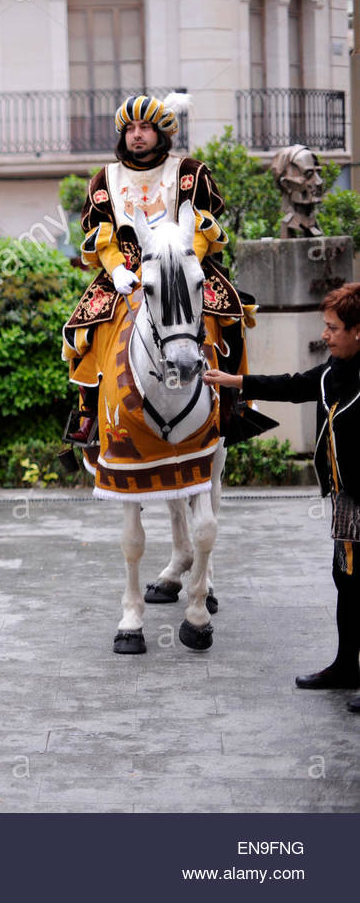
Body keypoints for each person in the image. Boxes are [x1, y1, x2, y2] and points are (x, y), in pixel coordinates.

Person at [204, 283, 360, 712]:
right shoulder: (333, 372)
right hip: (348, 500)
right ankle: (348, 666)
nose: (325, 336)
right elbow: (293, 386)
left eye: (332, 328)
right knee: (346, 581)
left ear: (358, 331)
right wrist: (234, 380)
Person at [61, 92, 249, 444]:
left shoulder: (190, 173)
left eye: (145, 127)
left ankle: (232, 406)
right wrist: (116, 269)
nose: (136, 134)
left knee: (230, 313)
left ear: (161, 132)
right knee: (83, 328)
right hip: (127, 270)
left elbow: (202, 226)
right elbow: (101, 237)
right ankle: (89, 417)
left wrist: (179, 258)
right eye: (130, 128)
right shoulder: (105, 180)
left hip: (183, 262)